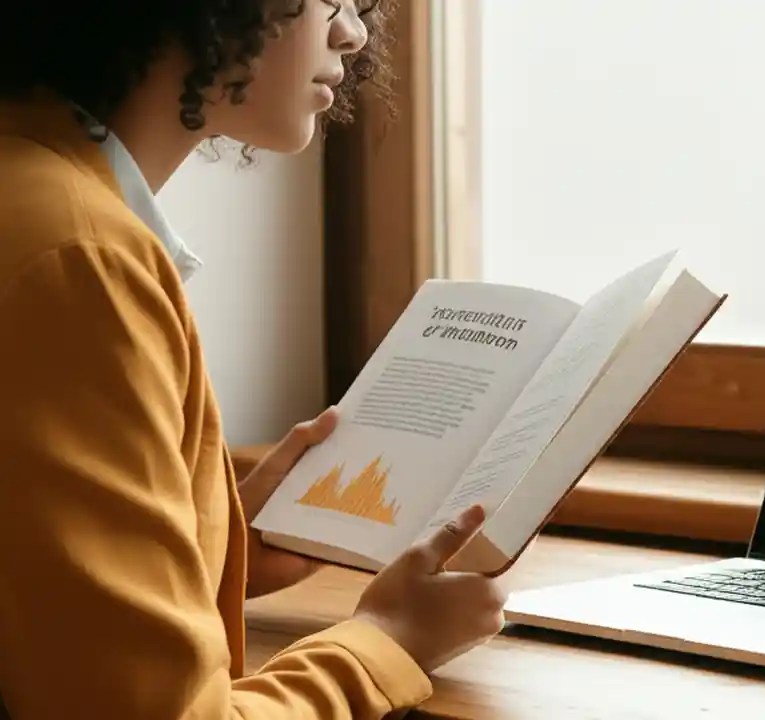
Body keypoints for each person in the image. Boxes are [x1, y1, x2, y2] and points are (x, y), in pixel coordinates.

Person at [0, 1, 507, 717]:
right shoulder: (76, 256)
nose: (353, 31)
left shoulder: (32, 192)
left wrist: (216, 548)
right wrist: (387, 642)